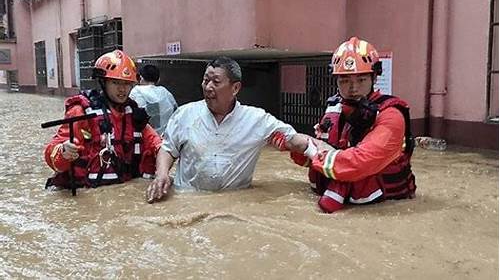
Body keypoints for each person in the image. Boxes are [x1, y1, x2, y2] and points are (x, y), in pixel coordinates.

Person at [146, 56, 320, 203]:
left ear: (235, 88)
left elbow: (293, 140)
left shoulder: (256, 121)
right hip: (187, 200)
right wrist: (161, 175)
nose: (208, 87)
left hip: (234, 203)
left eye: (215, 82)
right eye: (206, 80)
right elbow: (168, 149)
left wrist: (324, 154)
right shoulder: (184, 114)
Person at [291, 37, 416, 213]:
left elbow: (360, 163)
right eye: (345, 80)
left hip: (382, 209)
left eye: (361, 80)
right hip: (337, 203)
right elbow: (319, 156)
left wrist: (311, 150)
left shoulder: (391, 116)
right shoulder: (334, 109)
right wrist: (295, 146)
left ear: (374, 78)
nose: (353, 88)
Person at [44, 50, 163, 189]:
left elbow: (158, 145)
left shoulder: (135, 115)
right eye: (115, 82)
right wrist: (63, 152)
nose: (122, 89)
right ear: (103, 82)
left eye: (127, 83)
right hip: (86, 193)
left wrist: (163, 172)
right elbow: (52, 154)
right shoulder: (81, 112)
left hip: (121, 192)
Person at [129, 64, 178, 136]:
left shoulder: (137, 91)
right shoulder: (165, 92)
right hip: (166, 137)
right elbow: (175, 110)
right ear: (158, 80)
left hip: (145, 137)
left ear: (141, 78)